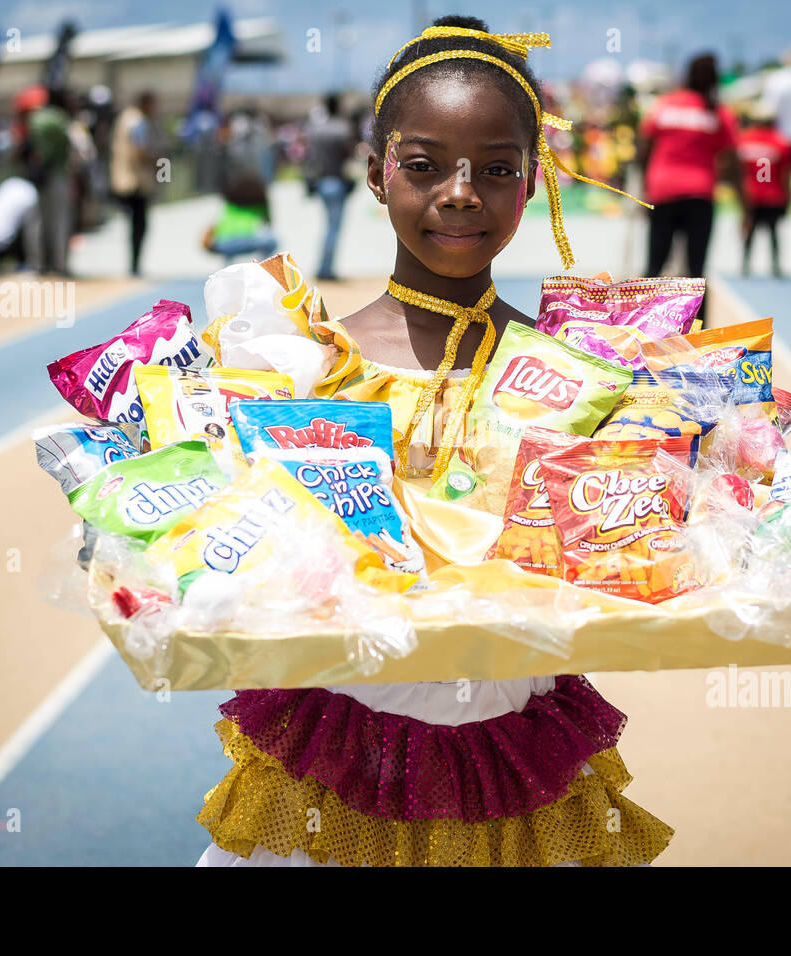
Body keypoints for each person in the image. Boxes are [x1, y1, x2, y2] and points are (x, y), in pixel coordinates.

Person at [194, 15, 674, 868]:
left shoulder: (580, 375)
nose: (460, 193)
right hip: (336, 763)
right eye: (423, 166)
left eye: (497, 169)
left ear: (536, 182)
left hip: (517, 759)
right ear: (378, 173)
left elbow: (629, 559)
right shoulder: (308, 371)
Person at [638, 53, 737, 319]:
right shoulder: (718, 113)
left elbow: (643, 149)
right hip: (700, 194)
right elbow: (730, 159)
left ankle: (639, 328)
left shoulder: (664, 105)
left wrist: (643, 189)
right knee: (696, 271)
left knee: (654, 265)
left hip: (662, 191)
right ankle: (698, 333)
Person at [304, 92, 358, 280]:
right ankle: (325, 268)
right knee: (333, 227)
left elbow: (309, 157)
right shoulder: (343, 129)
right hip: (337, 181)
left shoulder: (316, 129)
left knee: (327, 226)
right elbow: (349, 156)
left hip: (320, 181)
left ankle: (323, 266)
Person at [736, 105, 791, 277]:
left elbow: (737, 171)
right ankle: (775, 265)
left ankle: (745, 264)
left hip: (750, 194)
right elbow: (786, 174)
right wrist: (787, 195)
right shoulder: (781, 142)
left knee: (750, 230)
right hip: (773, 195)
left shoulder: (743, 141)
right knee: (773, 231)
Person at [26, 88, 74, 275]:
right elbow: (72, 140)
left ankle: (38, 264)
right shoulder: (59, 118)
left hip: (37, 174)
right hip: (56, 173)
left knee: (38, 220)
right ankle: (60, 264)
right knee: (60, 220)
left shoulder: (34, 118)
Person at [111, 90, 158, 276]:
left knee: (135, 224)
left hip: (124, 177)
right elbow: (138, 149)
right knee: (139, 224)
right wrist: (156, 162)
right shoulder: (137, 121)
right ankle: (134, 265)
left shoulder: (125, 118)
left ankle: (133, 264)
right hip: (134, 180)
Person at [201, 171, 277, 264]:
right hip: (248, 240)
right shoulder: (258, 204)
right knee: (272, 240)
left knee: (228, 251)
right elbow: (268, 222)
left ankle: (228, 268)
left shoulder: (230, 203)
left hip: (224, 243)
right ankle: (264, 265)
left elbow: (218, 222)